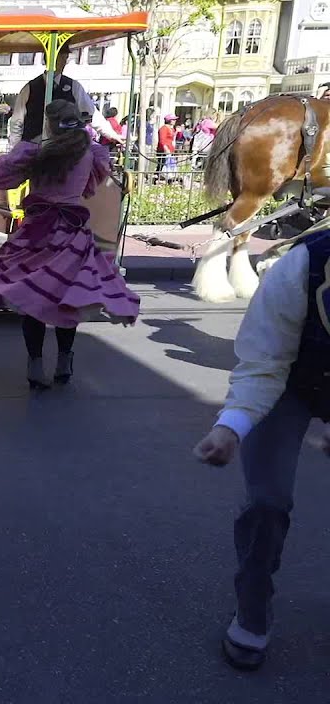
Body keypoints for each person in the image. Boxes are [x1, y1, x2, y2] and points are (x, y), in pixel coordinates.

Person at [192, 226, 330, 671]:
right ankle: (252, 609)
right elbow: (264, 362)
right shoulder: (302, 266)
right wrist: (231, 427)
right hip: (289, 380)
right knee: (267, 502)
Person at [0, 100, 140, 389]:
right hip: (71, 232)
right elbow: (91, 186)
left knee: (30, 296)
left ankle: (35, 363)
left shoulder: (37, 152)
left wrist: (27, 148)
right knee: (67, 298)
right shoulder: (91, 153)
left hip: (37, 232)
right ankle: (64, 360)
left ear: (49, 124)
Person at [9, 43, 121, 146]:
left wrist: (112, 135)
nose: (64, 62)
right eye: (62, 58)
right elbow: (17, 121)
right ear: (51, 59)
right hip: (34, 148)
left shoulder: (74, 86)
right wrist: (16, 149)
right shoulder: (30, 88)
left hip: (64, 149)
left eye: (65, 58)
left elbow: (92, 115)